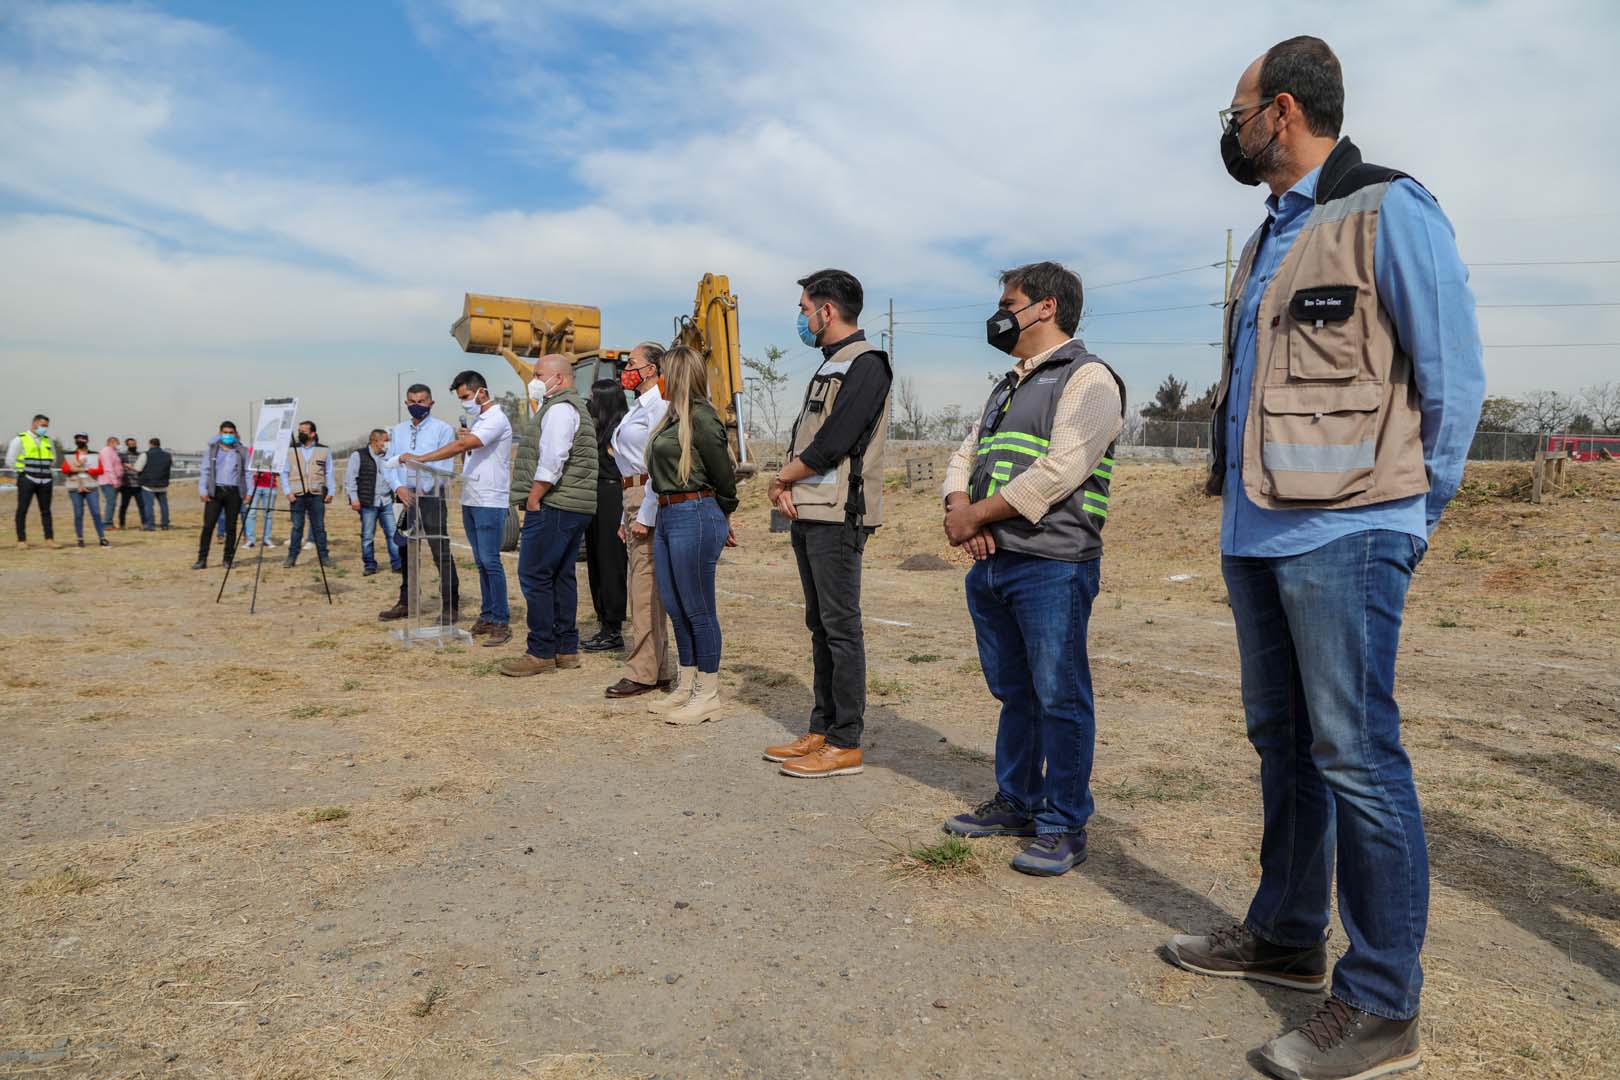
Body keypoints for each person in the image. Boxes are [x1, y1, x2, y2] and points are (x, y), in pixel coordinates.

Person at [1164, 38, 1486, 1080]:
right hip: (1256, 532)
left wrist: (1413, 514)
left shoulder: (1389, 209)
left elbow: (1452, 373)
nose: (1232, 129)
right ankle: (1287, 932)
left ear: (1284, 111)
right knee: (1286, 746)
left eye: (1238, 111)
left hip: (1350, 530)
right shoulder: (1272, 233)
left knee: (1356, 754)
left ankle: (1384, 1004)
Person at [936, 261, 1124, 878]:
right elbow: (966, 453)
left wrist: (976, 515)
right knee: (1016, 694)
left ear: (1046, 307)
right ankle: (1016, 801)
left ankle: (1063, 823)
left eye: (1007, 303)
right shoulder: (1008, 384)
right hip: (996, 562)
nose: (998, 315)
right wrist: (959, 508)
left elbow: (1060, 470)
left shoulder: (1089, 378)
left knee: (1059, 696)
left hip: (1053, 565)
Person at [764, 268, 892, 778]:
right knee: (819, 625)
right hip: (810, 510)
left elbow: (834, 441)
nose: (801, 318)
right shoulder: (830, 364)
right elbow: (810, 436)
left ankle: (845, 742)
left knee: (841, 627)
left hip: (839, 515)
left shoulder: (867, 364)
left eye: (804, 309)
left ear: (827, 310)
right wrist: (788, 487)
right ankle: (821, 727)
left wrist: (782, 478)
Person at [641, 345, 738, 723]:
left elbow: (724, 476)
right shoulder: (671, 418)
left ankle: (707, 694)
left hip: (694, 513)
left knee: (698, 609)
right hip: (669, 514)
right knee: (676, 606)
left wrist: (723, 514)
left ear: (678, 376)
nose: (658, 380)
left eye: (664, 373)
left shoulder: (703, 418)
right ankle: (687, 685)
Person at [499, 355, 598, 676]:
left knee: (535, 575)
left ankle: (540, 650)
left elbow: (554, 457)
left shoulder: (559, 410)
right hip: (573, 505)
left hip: (555, 503)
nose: (534, 381)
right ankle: (565, 648)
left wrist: (534, 497)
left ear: (560, 378)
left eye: (539, 375)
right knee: (560, 576)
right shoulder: (570, 407)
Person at [400, 372, 512, 646]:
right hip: (471, 497)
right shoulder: (479, 421)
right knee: (481, 562)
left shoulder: (495, 418)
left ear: (481, 392)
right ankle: (488, 614)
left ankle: (501, 620)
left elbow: (463, 445)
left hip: (489, 499)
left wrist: (421, 458)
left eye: (466, 396)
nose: (464, 402)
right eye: (460, 398)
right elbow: (468, 454)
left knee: (491, 562)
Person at [603, 343, 677, 699]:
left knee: (644, 589)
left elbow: (655, 464)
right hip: (632, 496)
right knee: (644, 586)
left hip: (648, 496)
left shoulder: (659, 405)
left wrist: (645, 514)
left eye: (632, 363)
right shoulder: (639, 406)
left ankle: (643, 672)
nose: (626, 370)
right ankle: (656, 668)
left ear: (651, 369)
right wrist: (625, 515)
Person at [380, 384, 460, 622]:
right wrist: (399, 487)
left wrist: (423, 489)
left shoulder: (443, 430)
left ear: (431, 403)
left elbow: (444, 467)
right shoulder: (398, 430)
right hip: (404, 498)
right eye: (412, 401)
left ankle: (450, 606)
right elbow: (389, 463)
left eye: (422, 401)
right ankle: (407, 601)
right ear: (406, 403)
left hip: (431, 497)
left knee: (439, 551)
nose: (417, 405)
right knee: (405, 550)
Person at [583, 377, 630, 653]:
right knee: (596, 562)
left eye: (593, 398)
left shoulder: (619, 431)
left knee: (611, 563)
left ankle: (613, 627)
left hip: (612, 497)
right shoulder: (599, 430)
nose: (589, 402)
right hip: (597, 496)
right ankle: (604, 622)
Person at [344, 429, 400, 576]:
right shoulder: (358, 455)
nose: (388, 443)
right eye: (385, 440)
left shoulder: (389, 456)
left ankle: (397, 564)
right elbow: (350, 479)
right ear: (376, 441)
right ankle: (369, 565)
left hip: (386, 501)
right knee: (368, 535)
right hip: (368, 502)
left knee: (392, 533)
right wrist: (354, 499)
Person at [194, 420, 248, 569]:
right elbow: (205, 471)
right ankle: (202, 559)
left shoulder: (241, 451)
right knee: (208, 526)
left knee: (231, 527)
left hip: (234, 491)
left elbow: (247, 473)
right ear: (220, 433)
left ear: (235, 434)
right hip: (215, 491)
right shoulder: (212, 450)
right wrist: (203, 490)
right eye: (225, 432)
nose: (228, 435)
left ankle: (228, 559)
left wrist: (248, 492)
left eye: (231, 433)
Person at [281, 420, 336, 568]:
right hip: (296, 495)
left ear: (312, 434)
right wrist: (287, 492)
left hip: (316, 494)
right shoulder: (291, 450)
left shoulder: (324, 451)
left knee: (319, 527)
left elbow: (329, 472)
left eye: (304, 431)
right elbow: (284, 472)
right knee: (297, 527)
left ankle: (324, 557)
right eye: (299, 431)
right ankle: (291, 557)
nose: (300, 434)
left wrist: (331, 491)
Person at [8, 415, 59, 548]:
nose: (44, 428)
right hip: (27, 479)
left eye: (46, 426)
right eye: (43, 425)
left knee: (46, 511)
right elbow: (10, 460)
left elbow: (54, 459)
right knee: (22, 509)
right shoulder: (20, 439)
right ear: (34, 423)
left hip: (46, 480)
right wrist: (23, 472)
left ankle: (49, 539)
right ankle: (21, 541)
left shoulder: (48, 441)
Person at [61, 434, 109, 547]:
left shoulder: (94, 454)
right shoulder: (70, 455)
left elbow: (101, 470)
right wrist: (79, 466)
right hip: (75, 487)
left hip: (91, 486)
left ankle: (102, 538)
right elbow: (64, 469)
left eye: (82, 438)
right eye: (78, 439)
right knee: (78, 514)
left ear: (87, 440)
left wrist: (83, 468)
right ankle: (80, 539)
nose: (80, 440)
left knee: (96, 513)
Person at [241, 453, 279, 549]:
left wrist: (274, 470)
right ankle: (250, 540)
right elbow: (247, 470)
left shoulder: (276, 452)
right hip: (254, 486)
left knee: (268, 514)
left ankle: (266, 539)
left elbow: (280, 471)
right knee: (251, 513)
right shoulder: (251, 451)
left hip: (270, 487)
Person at [134, 437, 172, 531]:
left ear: (150, 444)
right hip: (162, 484)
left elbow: (138, 469)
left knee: (149, 505)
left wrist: (129, 467)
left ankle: (150, 525)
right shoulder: (167, 455)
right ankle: (165, 524)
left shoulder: (145, 454)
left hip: (148, 485)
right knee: (164, 505)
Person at [117, 436, 145, 529]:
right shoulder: (122, 456)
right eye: (131, 444)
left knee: (142, 506)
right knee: (124, 506)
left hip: (138, 485)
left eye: (134, 444)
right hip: (126, 485)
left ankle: (144, 523)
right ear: (127, 445)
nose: (133, 446)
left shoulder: (141, 455)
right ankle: (122, 524)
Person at [96, 436, 123, 530]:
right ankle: (107, 524)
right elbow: (108, 467)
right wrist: (114, 481)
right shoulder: (106, 451)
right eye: (117, 443)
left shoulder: (113, 451)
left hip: (113, 481)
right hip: (108, 481)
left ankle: (110, 523)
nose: (118, 445)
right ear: (111, 442)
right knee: (111, 502)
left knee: (112, 503)